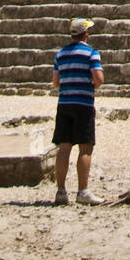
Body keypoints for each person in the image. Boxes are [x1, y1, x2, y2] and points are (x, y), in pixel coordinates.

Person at [52, 17, 105, 207]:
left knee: (64, 147)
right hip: (83, 104)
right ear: (85, 34)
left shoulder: (60, 54)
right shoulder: (91, 53)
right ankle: (83, 191)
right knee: (85, 148)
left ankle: (60, 191)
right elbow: (98, 79)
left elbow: (56, 82)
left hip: (64, 103)